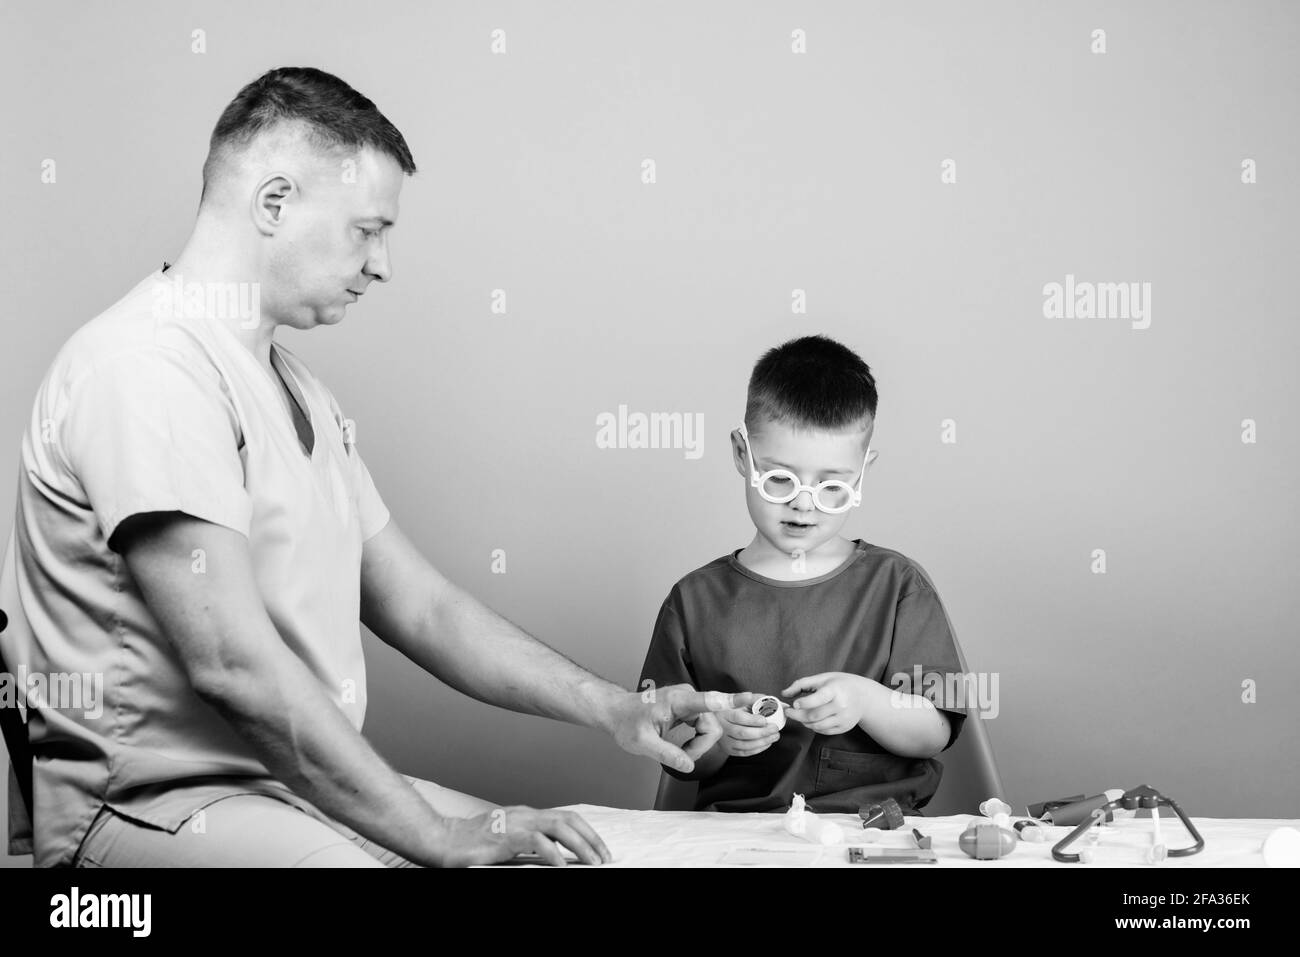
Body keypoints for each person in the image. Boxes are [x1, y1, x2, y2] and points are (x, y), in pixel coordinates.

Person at [0, 66, 740, 868]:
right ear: (274, 203)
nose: (383, 263)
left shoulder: (303, 393)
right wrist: (436, 837)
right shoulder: (147, 367)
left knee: (560, 860)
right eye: (367, 228)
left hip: (294, 787)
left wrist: (617, 710)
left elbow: (423, 609)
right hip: (155, 812)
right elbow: (231, 665)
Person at [639, 334, 970, 814]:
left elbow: (936, 732)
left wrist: (866, 701)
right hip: (739, 836)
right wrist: (723, 739)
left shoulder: (898, 586)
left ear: (862, 474)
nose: (803, 502)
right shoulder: (693, 602)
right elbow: (671, 747)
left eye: (832, 484)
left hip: (874, 833)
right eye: (779, 479)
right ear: (741, 454)